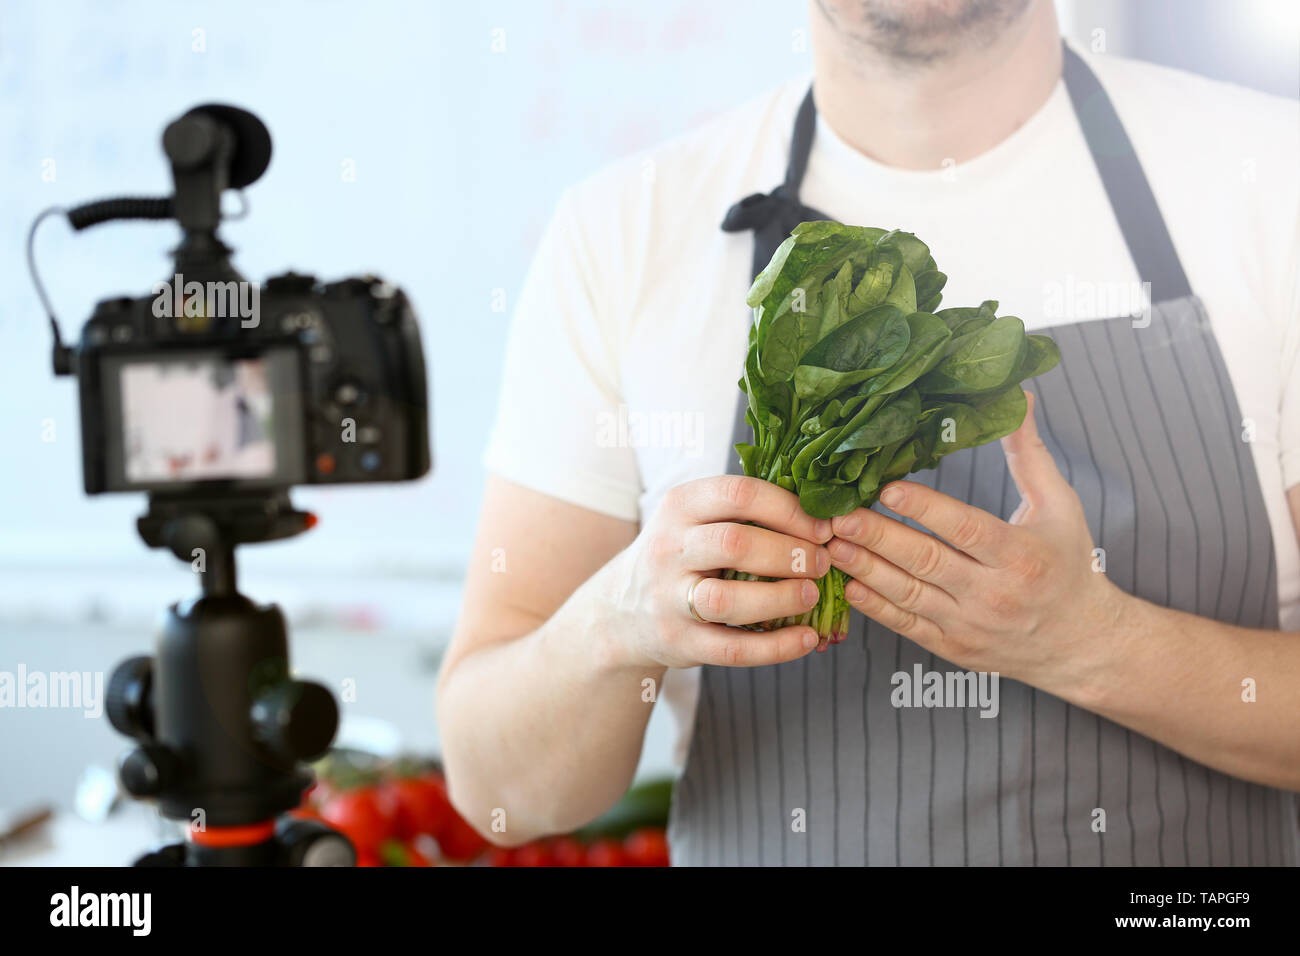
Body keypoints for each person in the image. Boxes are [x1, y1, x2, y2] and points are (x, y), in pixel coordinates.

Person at [438, 0, 1300, 865]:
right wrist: (615, 624)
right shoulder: (621, 232)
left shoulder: (1273, 177)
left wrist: (1094, 646)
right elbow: (501, 796)